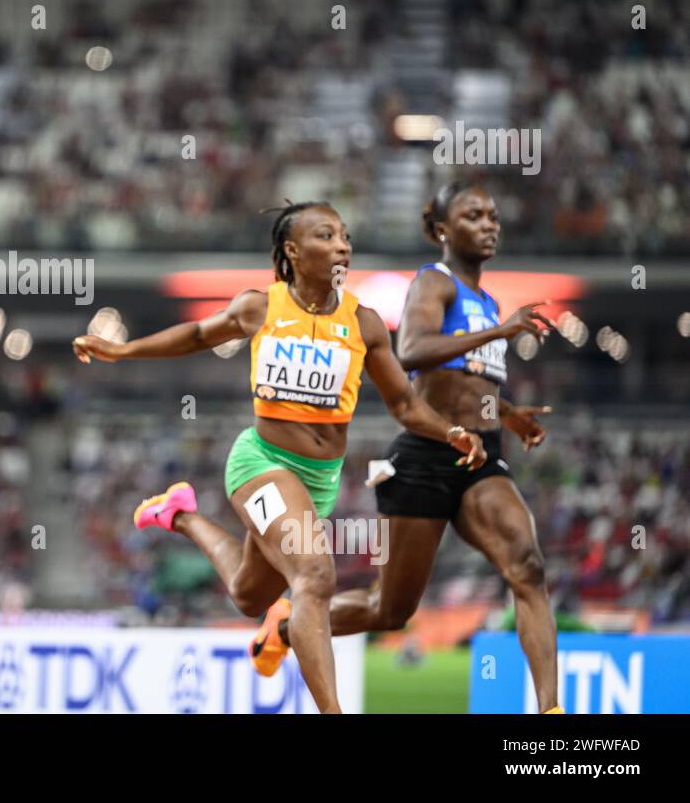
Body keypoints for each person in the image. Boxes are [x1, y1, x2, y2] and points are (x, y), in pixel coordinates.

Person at [72, 201, 486, 713]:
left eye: (345, 236)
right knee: (314, 576)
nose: (342, 245)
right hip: (261, 464)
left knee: (249, 596)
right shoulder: (261, 307)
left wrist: (452, 432)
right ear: (293, 250)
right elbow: (200, 335)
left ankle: (178, 515)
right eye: (326, 236)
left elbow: (403, 404)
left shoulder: (365, 323)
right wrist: (124, 351)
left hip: (319, 481)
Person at [260, 182, 562, 713]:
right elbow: (414, 351)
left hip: (481, 456)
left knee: (529, 568)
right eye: (473, 216)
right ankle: (287, 624)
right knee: (390, 611)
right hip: (424, 457)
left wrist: (509, 415)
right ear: (443, 229)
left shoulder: (489, 303)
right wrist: (498, 334)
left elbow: (470, 382)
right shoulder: (434, 283)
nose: (490, 224)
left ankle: (551, 713)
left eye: (493, 215)